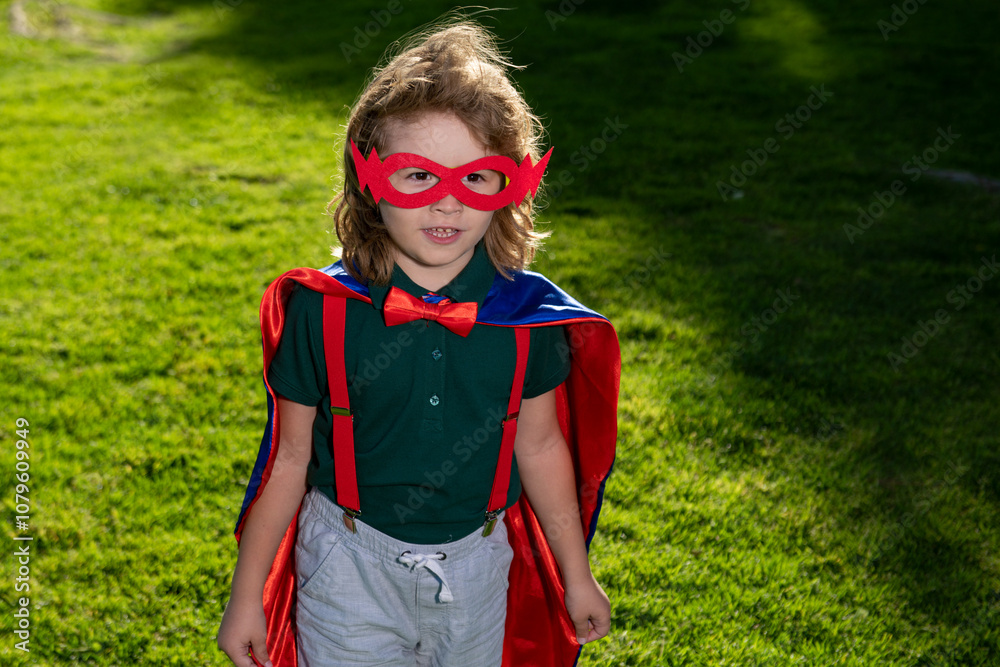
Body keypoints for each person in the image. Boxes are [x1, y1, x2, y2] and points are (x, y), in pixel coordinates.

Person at [218, 19, 620, 667]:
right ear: (371, 182)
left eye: (476, 177)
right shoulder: (321, 312)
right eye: (417, 176)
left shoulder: (527, 321)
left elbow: (542, 445)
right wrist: (246, 594)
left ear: (511, 186)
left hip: (481, 564)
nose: (447, 204)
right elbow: (287, 460)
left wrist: (576, 573)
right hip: (346, 561)